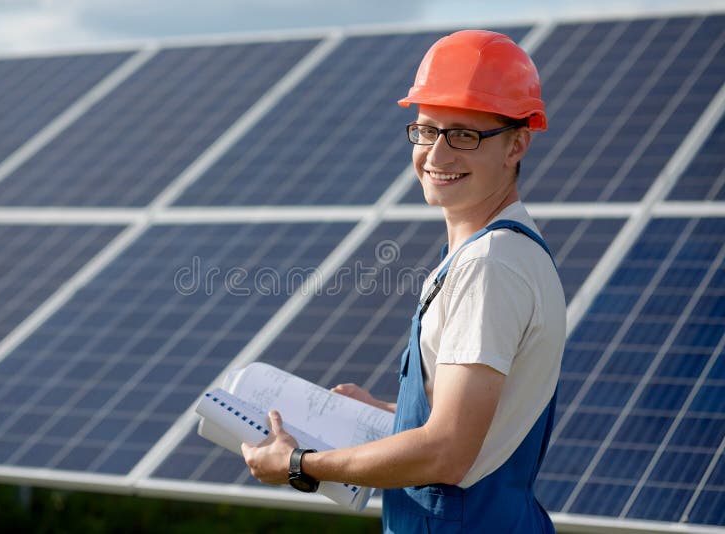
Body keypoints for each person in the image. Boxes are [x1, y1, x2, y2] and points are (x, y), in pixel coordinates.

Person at [241, 29, 566, 533]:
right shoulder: (495, 253)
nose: (436, 155)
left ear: (517, 143)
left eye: (464, 134)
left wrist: (297, 465)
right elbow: (482, 422)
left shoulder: (490, 266)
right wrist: (389, 413)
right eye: (425, 129)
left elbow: (448, 453)